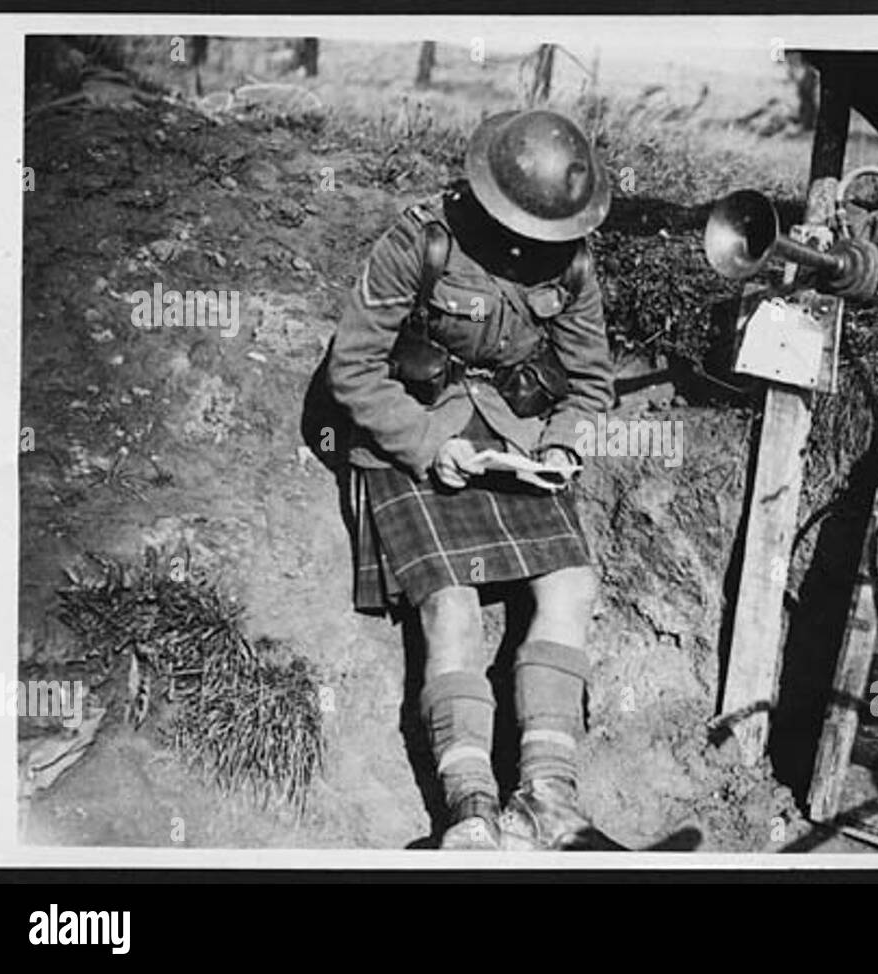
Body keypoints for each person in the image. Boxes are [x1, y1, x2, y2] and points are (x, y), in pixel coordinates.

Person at [327, 108, 615, 850]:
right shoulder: (420, 240)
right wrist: (429, 444)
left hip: (513, 436)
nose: (534, 249)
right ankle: (471, 807)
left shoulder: (574, 262)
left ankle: (547, 793)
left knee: (573, 586)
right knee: (451, 604)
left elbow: (589, 386)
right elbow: (353, 369)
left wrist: (561, 448)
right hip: (412, 433)